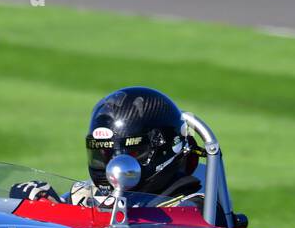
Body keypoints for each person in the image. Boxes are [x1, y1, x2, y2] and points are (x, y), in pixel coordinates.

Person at [14, 86, 204, 210]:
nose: (112, 170)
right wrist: (43, 207)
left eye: (129, 155)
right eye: (103, 155)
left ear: (163, 150)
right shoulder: (88, 194)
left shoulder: (196, 206)